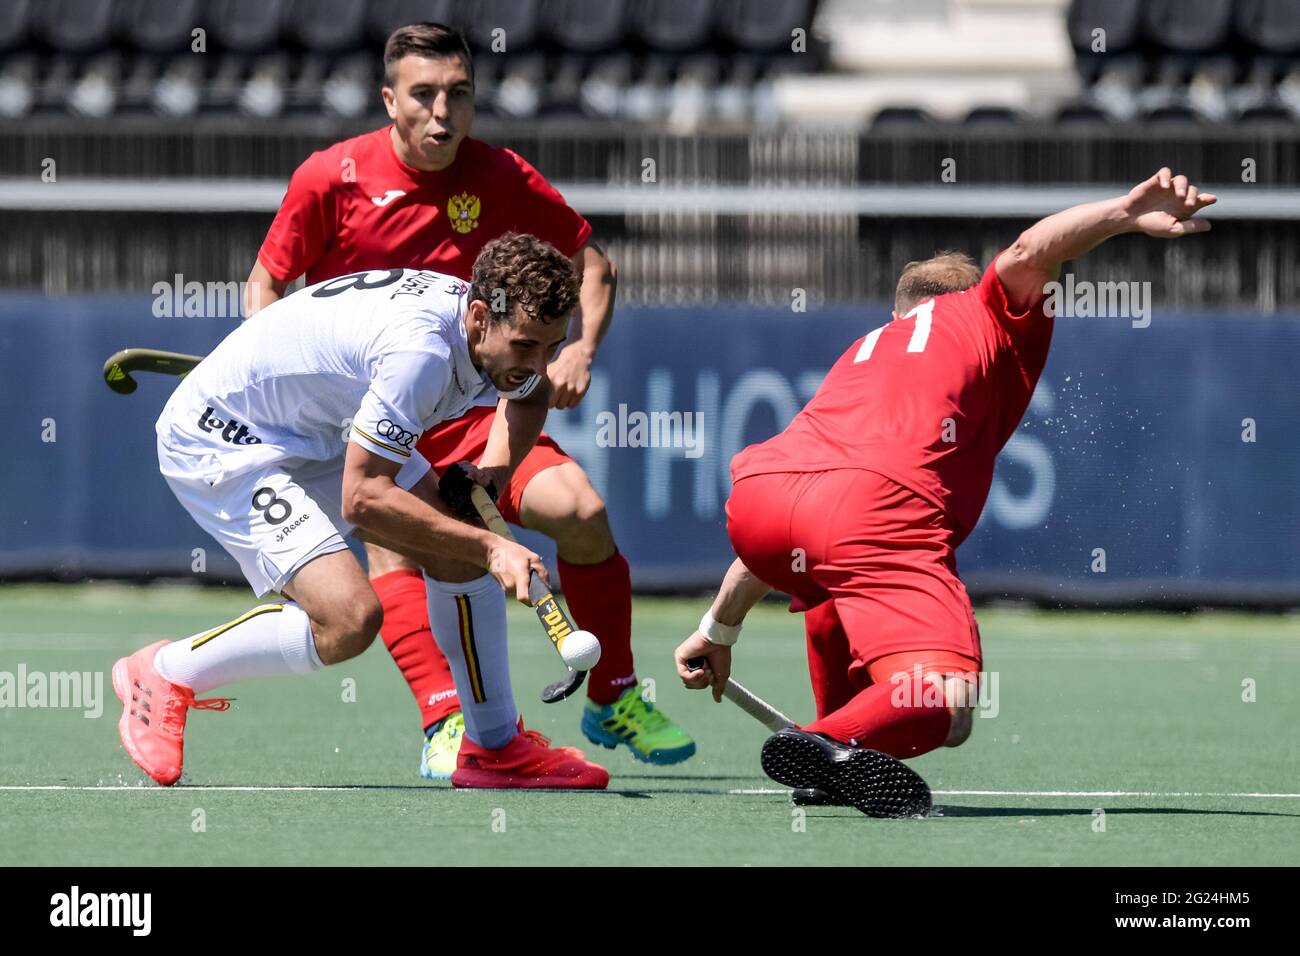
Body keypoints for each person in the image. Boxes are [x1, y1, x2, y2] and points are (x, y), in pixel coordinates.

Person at [674, 168, 1217, 817]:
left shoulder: (869, 347)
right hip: (874, 507)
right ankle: (823, 742)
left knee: (822, 569)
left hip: (762, 500)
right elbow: (1028, 253)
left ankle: (833, 755)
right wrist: (1123, 214)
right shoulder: (982, 311)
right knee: (948, 704)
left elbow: (811, 507)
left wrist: (719, 627)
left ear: (897, 312)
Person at [245, 22, 694, 777]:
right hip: (377, 413)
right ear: (390, 100)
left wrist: (579, 349)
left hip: (479, 409)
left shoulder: (503, 176)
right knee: (394, 528)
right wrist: (271, 366)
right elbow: (267, 281)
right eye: (423, 95)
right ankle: (445, 718)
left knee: (580, 513)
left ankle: (613, 694)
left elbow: (593, 267)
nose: (441, 113)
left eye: (459, 95)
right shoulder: (333, 176)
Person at [115, 234, 608, 790]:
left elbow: (530, 392)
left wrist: (493, 474)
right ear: (478, 316)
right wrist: (495, 546)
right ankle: (163, 673)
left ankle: (493, 749)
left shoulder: (503, 334)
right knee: (349, 619)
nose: (538, 363)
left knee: (458, 555)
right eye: (525, 346)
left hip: (322, 428)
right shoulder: (420, 354)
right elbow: (364, 499)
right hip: (225, 442)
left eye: (552, 346)